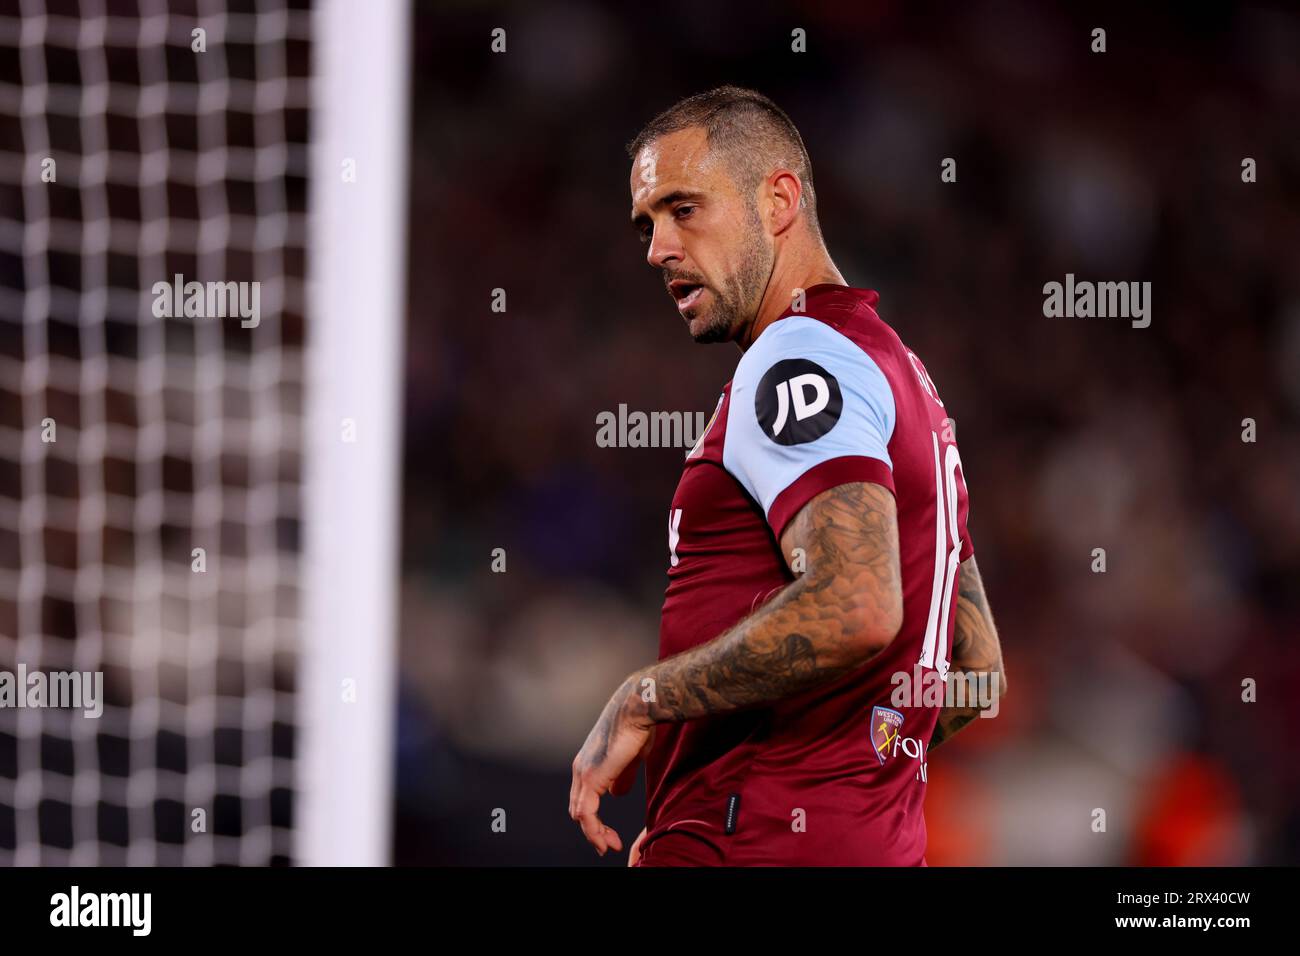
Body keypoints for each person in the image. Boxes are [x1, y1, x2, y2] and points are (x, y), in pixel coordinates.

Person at [569, 86, 1006, 866]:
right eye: (647, 224)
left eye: (683, 210)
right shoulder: (901, 377)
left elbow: (855, 606)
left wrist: (648, 699)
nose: (656, 248)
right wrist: (845, 772)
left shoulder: (796, 355)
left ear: (778, 200)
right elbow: (975, 674)